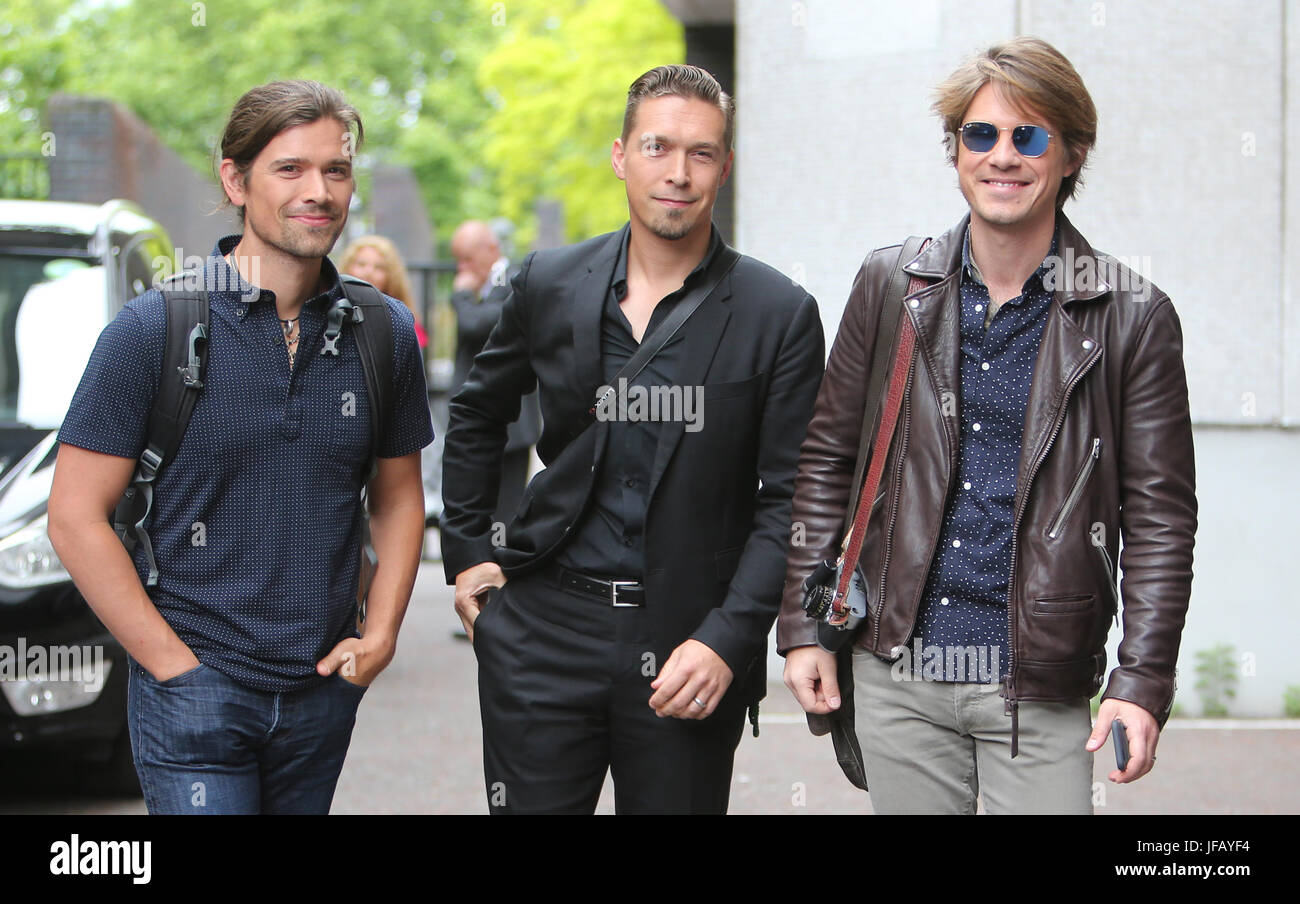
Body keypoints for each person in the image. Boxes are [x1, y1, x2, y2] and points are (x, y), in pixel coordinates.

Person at [779, 36, 1197, 815]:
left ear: (1072, 154)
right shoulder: (891, 284)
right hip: (898, 670)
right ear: (957, 150)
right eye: (982, 135)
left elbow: (1161, 520)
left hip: (1037, 684)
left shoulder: (1132, 317)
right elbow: (827, 462)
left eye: (1029, 136)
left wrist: (1140, 681)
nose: (1003, 156)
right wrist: (804, 626)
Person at [441, 64, 824, 814]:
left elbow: (792, 501)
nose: (677, 173)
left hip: (686, 643)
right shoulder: (550, 281)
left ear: (724, 167)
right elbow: (478, 413)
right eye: (657, 147)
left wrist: (728, 638)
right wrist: (467, 556)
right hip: (542, 629)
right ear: (621, 156)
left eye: (701, 153)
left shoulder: (778, 312)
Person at [47, 80, 433, 814]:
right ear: (236, 179)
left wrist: (379, 636)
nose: (318, 191)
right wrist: (171, 667)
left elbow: (397, 497)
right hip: (195, 691)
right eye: (290, 169)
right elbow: (74, 515)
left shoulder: (382, 334)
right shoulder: (150, 330)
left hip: (321, 693)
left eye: (336, 170)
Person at [447, 220, 541, 524]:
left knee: (504, 514)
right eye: (458, 260)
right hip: (476, 416)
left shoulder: (515, 281)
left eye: (468, 259)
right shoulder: (484, 286)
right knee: (472, 509)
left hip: (510, 423)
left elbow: (474, 325)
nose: (463, 269)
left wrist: (461, 297)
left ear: (491, 249)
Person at [340, 235, 427, 348]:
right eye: (361, 264)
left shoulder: (402, 319)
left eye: (379, 267)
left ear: (392, 275)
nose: (368, 272)